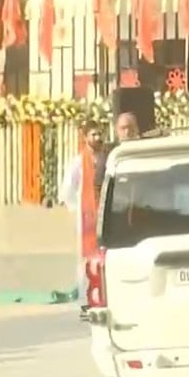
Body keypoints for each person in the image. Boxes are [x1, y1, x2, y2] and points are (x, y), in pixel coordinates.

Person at [58, 121, 108, 314]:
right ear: (85, 137)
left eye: (99, 134)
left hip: (105, 214)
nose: (97, 138)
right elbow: (68, 190)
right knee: (87, 258)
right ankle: (86, 298)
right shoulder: (79, 162)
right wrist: (78, 208)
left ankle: (104, 296)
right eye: (93, 134)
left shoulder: (107, 158)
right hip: (87, 215)